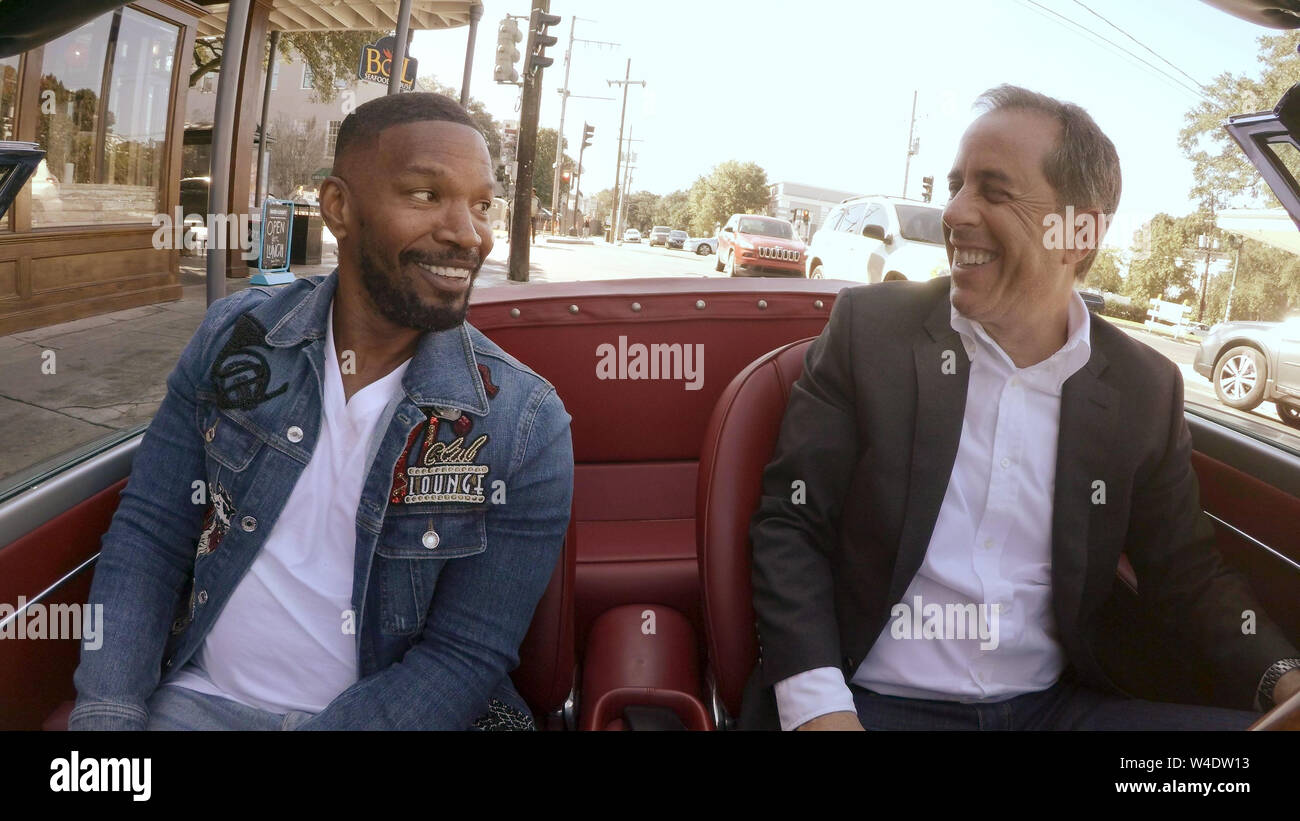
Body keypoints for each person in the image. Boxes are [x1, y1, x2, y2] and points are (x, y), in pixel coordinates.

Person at [746, 85, 1299, 731]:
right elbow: (792, 524)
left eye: (993, 190)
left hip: (1056, 708)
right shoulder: (872, 332)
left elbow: (1185, 572)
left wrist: (1281, 678)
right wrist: (820, 708)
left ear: (1079, 232)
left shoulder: (1144, 388)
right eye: (956, 184)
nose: (954, 211)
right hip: (871, 702)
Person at [69, 92, 574, 731]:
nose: (467, 233)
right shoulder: (235, 339)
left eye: (480, 204)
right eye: (424, 195)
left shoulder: (524, 423)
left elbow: (466, 654)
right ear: (338, 207)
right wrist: (108, 716)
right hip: (197, 703)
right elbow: (150, 537)